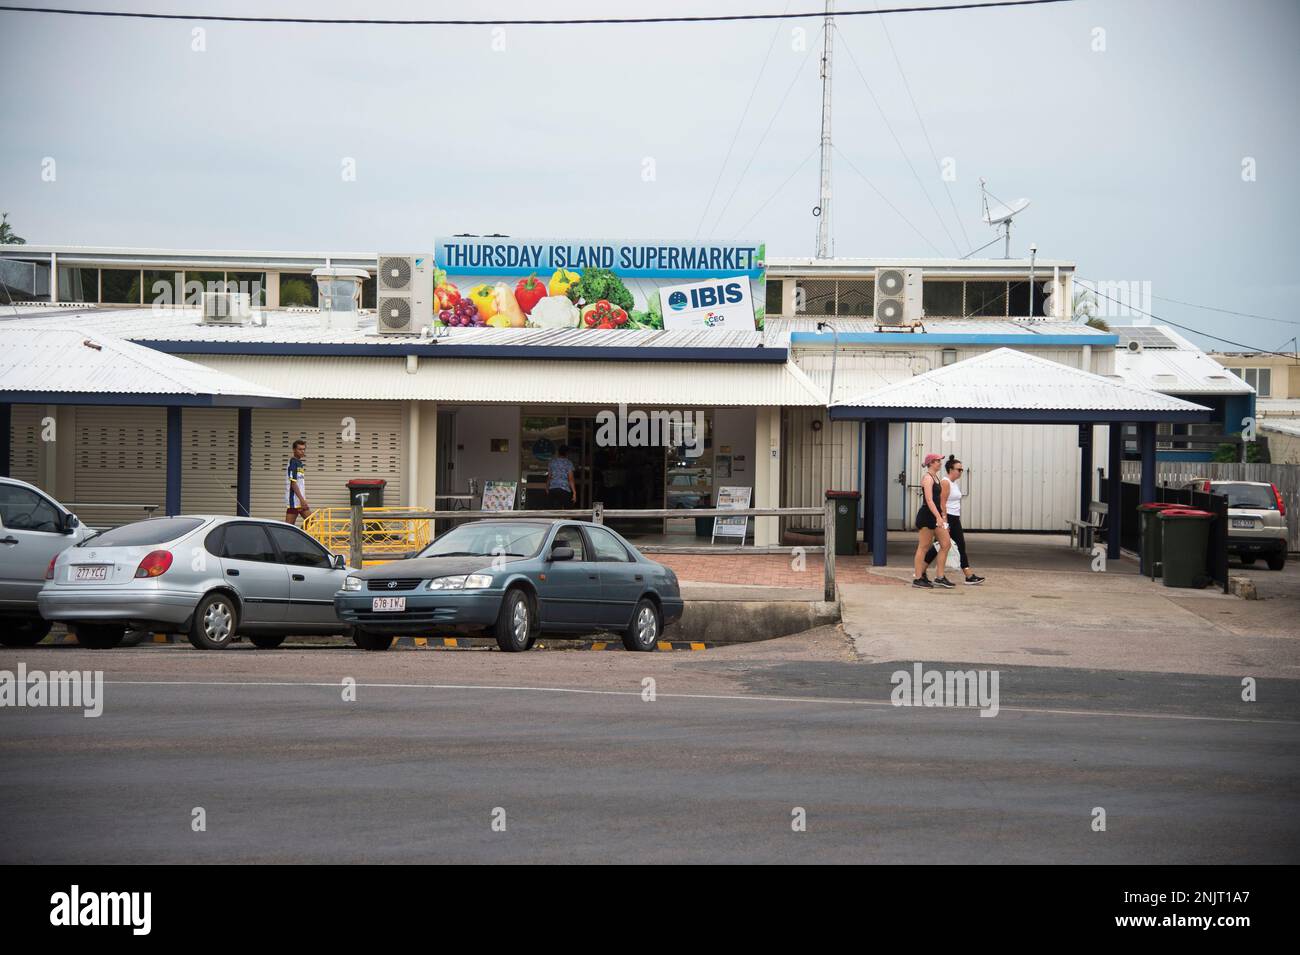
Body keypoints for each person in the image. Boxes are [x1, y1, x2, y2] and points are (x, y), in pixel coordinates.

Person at [924, 456, 986, 585]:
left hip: (954, 518)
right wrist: (945, 521)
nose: (961, 472)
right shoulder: (945, 482)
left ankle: (968, 575)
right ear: (951, 469)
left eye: (962, 469)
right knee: (940, 547)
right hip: (948, 518)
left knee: (950, 546)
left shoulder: (954, 483)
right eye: (959, 469)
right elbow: (942, 502)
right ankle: (922, 572)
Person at [913, 453, 953, 589]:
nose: (940, 463)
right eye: (937, 461)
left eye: (940, 461)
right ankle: (918, 578)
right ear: (930, 463)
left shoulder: (936, 478)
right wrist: (938, 517)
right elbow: (929, 500)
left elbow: (939, 500)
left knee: (946, 544)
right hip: (927, 516)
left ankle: (940, 577)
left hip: (936, 516)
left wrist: (943, 517)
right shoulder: (927, 478)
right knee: (923, 547)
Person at [284, 439, 311, 525]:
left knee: (311, 522)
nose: (302, 451)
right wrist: (302, 500)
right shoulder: (293, 462)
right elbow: (293, 483)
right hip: (294, 500)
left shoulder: (299, 463)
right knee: (289, 527)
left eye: (304, 449)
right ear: (294, 450)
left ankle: (299, 537)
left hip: (299, 500)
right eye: (300, 449)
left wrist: (302, 499)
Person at [546, 444, 577, 509]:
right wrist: (574, 493)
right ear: (567, 453)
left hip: (553, 489)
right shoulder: (568, 463)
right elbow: (571, 479)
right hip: (564, 489)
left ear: (558, 452)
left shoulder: (552, 462)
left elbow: (549, 477)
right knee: (568, 511)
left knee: (553, 511)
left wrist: (547, 488)